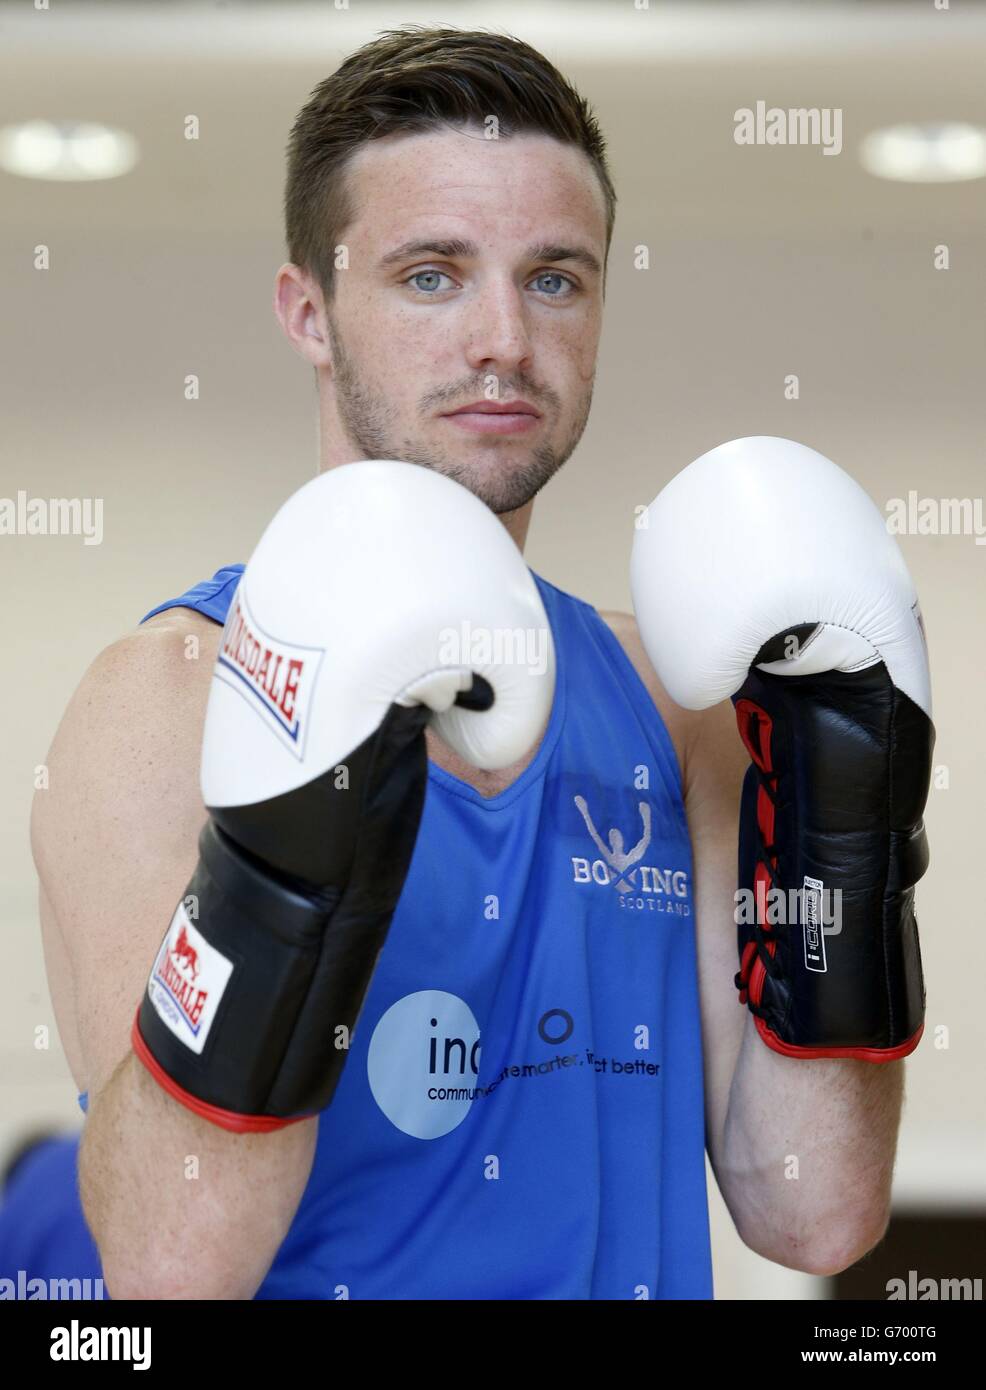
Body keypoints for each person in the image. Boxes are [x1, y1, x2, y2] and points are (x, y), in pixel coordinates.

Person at [28, 25, 929, 1300]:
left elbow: (813, 1211)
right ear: (309, 311)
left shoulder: (679, 711)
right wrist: (283, 879)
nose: (503, 338)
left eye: (554, 278)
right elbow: (171, 1271)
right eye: (432, 275)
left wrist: (853, 819)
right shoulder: (164, 704)